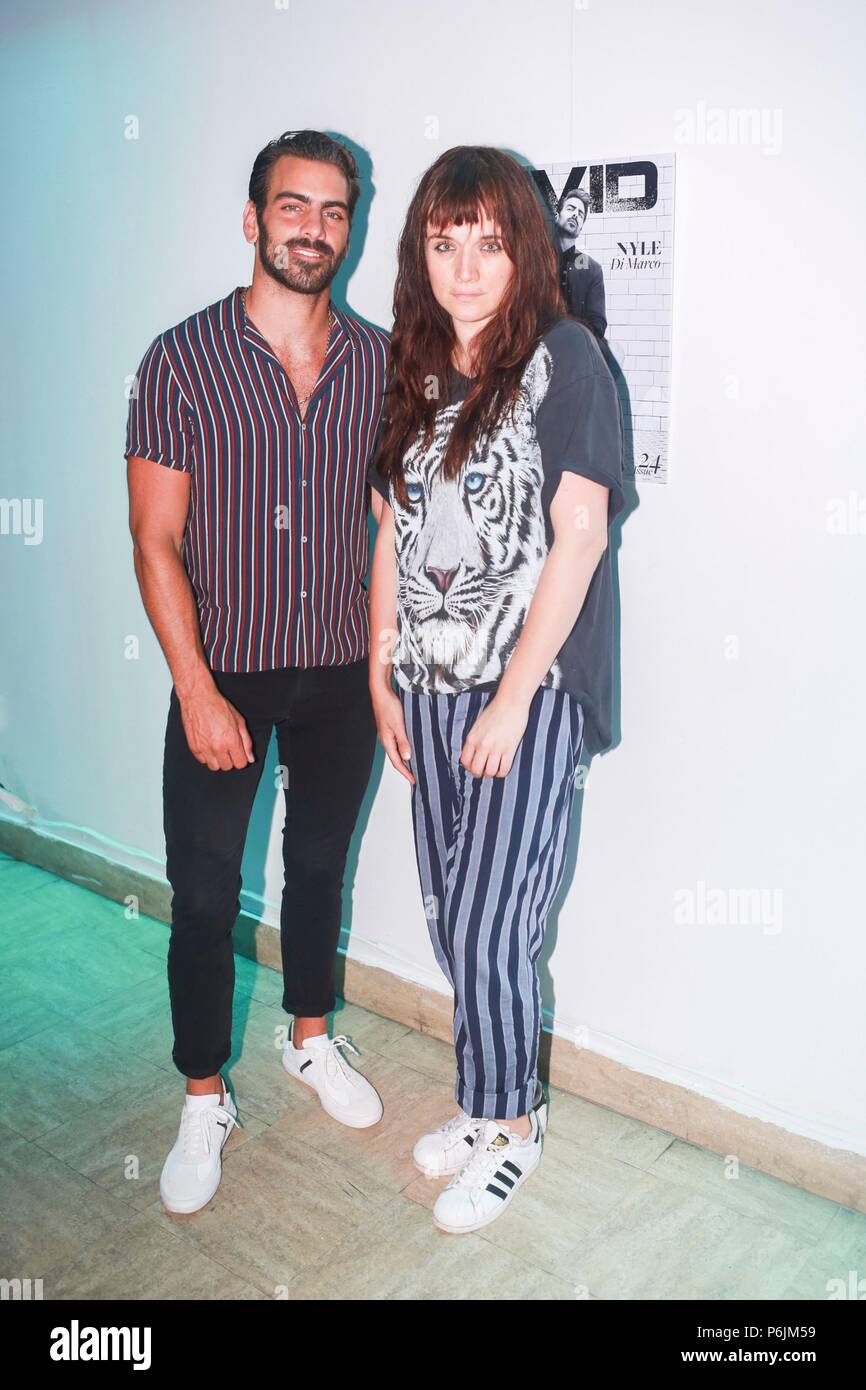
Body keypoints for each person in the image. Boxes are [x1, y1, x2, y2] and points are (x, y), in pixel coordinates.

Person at [124, 130, 389, 1215]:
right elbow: (154, 537)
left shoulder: (379, 361)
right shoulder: (179, 357)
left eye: (333, 209)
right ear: (252, 219)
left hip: (339, 667)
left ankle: (310, 1040)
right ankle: (201, 1096)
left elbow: (388, 524)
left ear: (349, 226)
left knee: (319, 872)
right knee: (199, 894)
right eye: (293, 206)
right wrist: (193, 684)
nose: (313, 228)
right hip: (223, 668)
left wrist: (390, 667)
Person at [366, 146, 625, 1235]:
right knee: (451, 918)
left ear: (522, 247)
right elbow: (389, 527)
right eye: (442, 240)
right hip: (424, 682)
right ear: (419, 250)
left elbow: (576, 532)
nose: (464, 266)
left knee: (489, 927)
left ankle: (511, 1129)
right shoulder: (416, 369)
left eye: (486, 241)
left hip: (529, 689)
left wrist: (517, 696)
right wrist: (376, 665)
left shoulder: (564, 358)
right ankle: (481, 1108)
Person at [555, 187, 607, 337]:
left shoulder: (593, 269)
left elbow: (598, 323)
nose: (575, 215)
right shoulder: (536, 260)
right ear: (557, 215)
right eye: (571, 208)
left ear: (581, 227)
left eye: (580, 214)